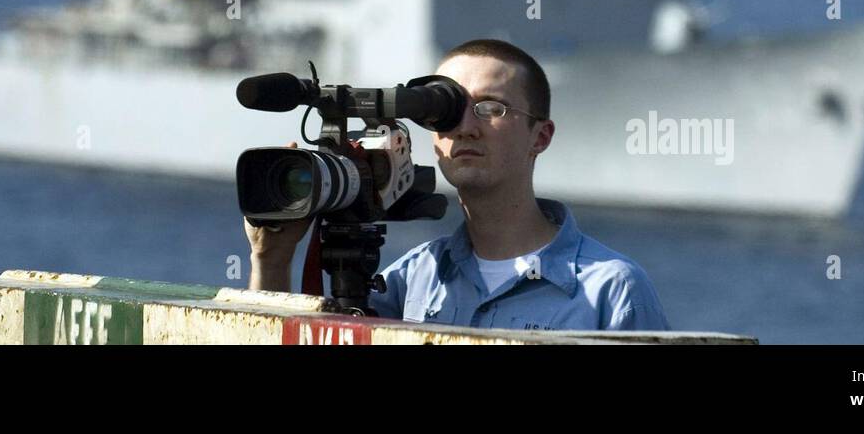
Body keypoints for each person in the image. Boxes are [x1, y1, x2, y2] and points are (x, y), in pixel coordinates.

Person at [245, 37, 671, 331]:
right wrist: (272, 260)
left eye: (490, 108)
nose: (465, 127)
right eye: (446, 112)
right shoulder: (412, 280)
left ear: (540, 137)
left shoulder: (611, 291)